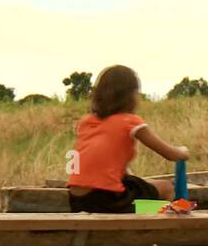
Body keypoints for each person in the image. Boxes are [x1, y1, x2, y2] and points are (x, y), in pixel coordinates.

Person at [67, 65, 189, 213]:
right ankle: (150, 231)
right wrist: (183, 152)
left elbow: (99, 162)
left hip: (77, 200)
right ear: (131, 95)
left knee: (136, 183)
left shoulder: (86, 122)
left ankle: (144, 215)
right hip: (107, 200)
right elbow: (171, 155)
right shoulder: (130, 122)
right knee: (167, 188)